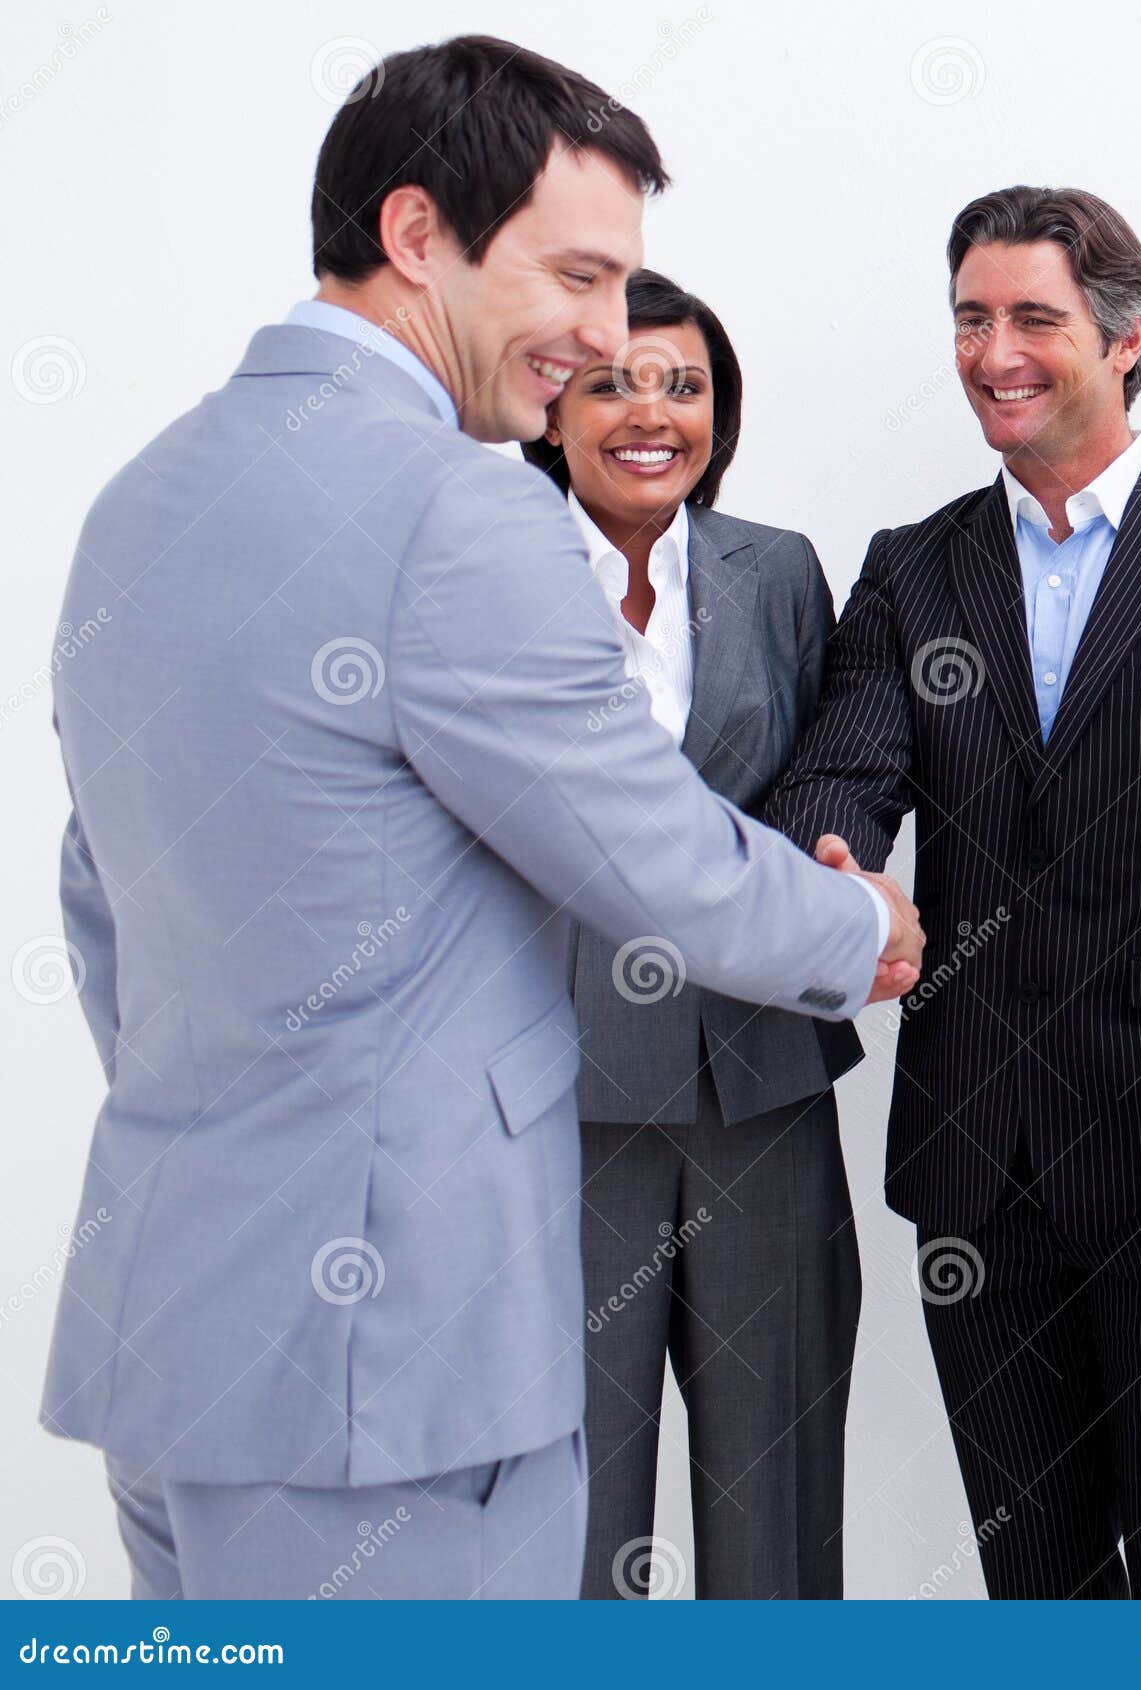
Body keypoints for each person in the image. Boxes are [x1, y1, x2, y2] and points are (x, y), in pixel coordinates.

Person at [43, 35, 920, 1602]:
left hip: (174, 1332)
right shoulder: (461, 505)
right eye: (577, 276)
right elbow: (653, 852)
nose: (601, 337)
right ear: (413, 236)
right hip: (395, 1377)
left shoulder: (141, 496)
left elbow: (102, 903)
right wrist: (858, 925)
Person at [766, 185, 1141, 1598]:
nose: (990, 350)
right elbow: (840, 775)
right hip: (980, 1168)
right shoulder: (911, 569)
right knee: (1036, 1577)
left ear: (1127, 340)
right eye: (968, 316)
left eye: (1030, 316)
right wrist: (837, 872)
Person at [522, 270, 866, 1599]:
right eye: (611, 380)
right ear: (550, 408)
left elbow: (820, 790)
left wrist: (856, 895)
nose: (649, 412)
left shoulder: (773, 572)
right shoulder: (484, 566)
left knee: (773, 1492)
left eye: (684, 385)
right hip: (559, 1091)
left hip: (755, 1086)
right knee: (574, 1510)